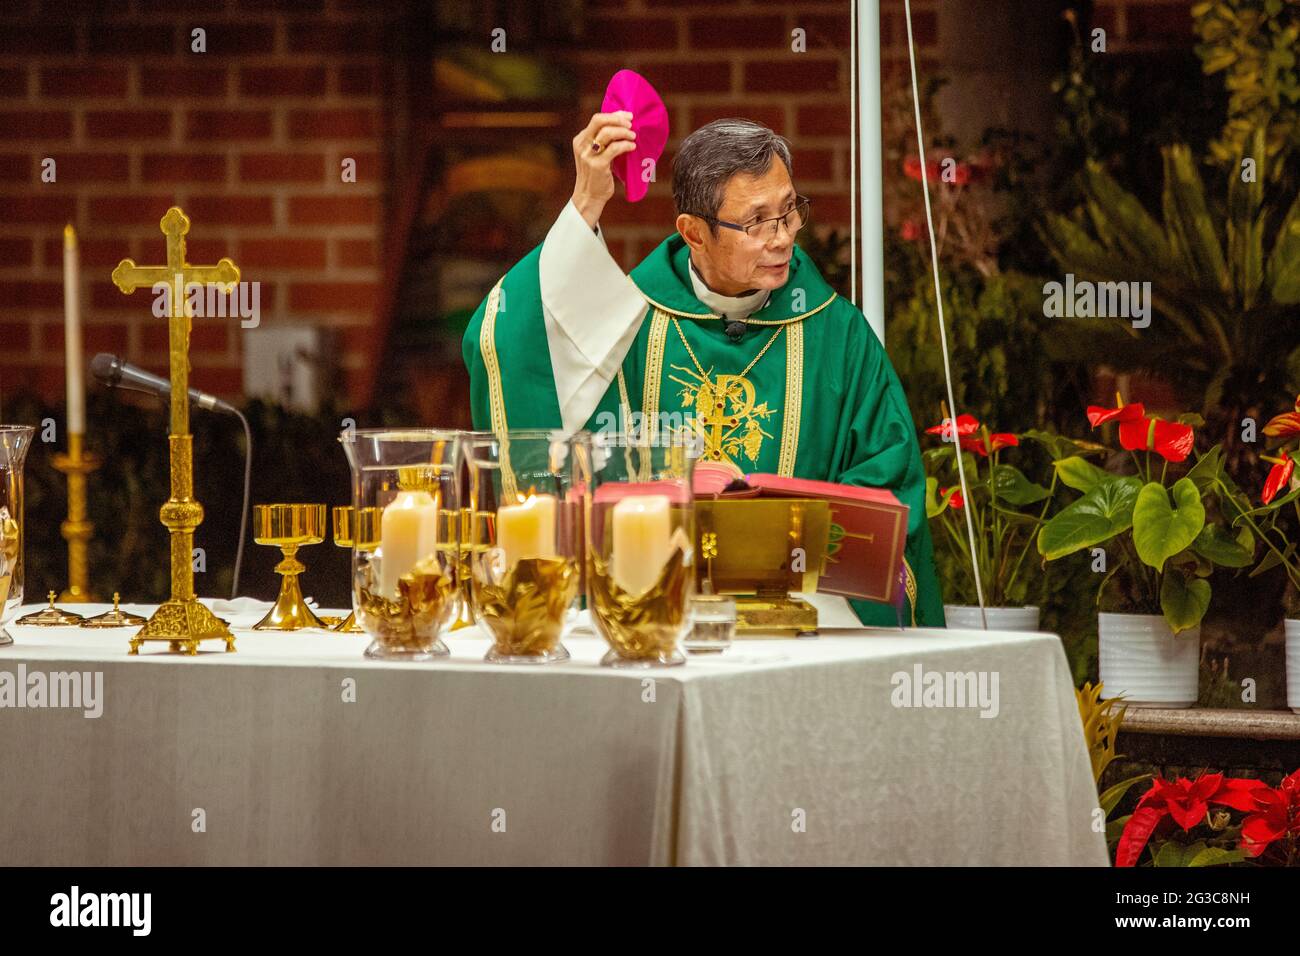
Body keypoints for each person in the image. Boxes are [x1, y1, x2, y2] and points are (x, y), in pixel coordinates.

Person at [463, 113, 945, 627]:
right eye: (756, 222)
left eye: (789, 211)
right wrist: (585, 202)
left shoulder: (839, 337)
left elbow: (889, 491)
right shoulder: (626, 322)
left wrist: (785, 544)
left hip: (801, 628)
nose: (782, 237)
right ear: (694, 233)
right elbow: (507, 338)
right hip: (645, 622)